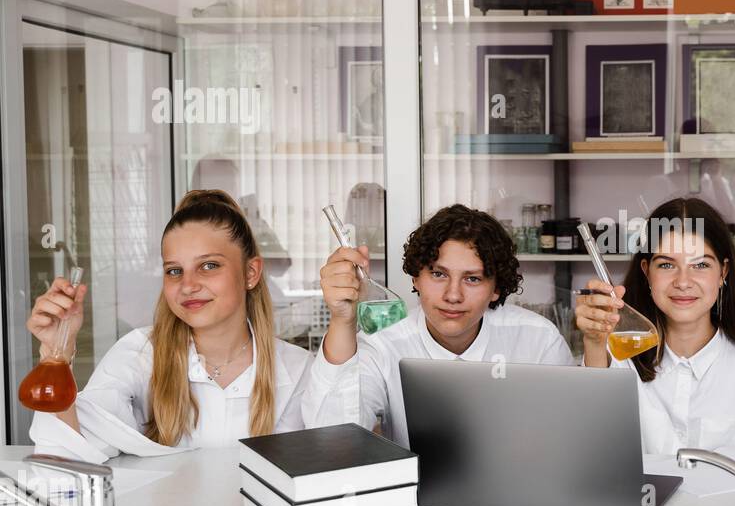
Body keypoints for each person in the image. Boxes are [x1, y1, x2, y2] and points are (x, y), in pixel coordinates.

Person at [28, 190, 312, 462]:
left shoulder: (296, 368)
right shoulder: (140, 354)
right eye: (174, 271)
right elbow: (69, 452)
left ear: (250, 273)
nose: (188, 285)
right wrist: (56, 356)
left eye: (209, 265)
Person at [301, 204, 572, 448]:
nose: (453, 295)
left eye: (473, 279)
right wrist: (342, 319)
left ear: (496, 289)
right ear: (416, 278)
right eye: (438, 274)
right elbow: (333, 441)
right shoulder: (385, 343)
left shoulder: (537, 340)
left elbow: (569, 440)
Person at [576, 197, 735, 455]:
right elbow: (588, 447)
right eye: (666, 265)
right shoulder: (617, 361)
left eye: (700, 265)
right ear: (646, 271)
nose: (683, 281)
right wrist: (595, 343)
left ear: (723, 273)